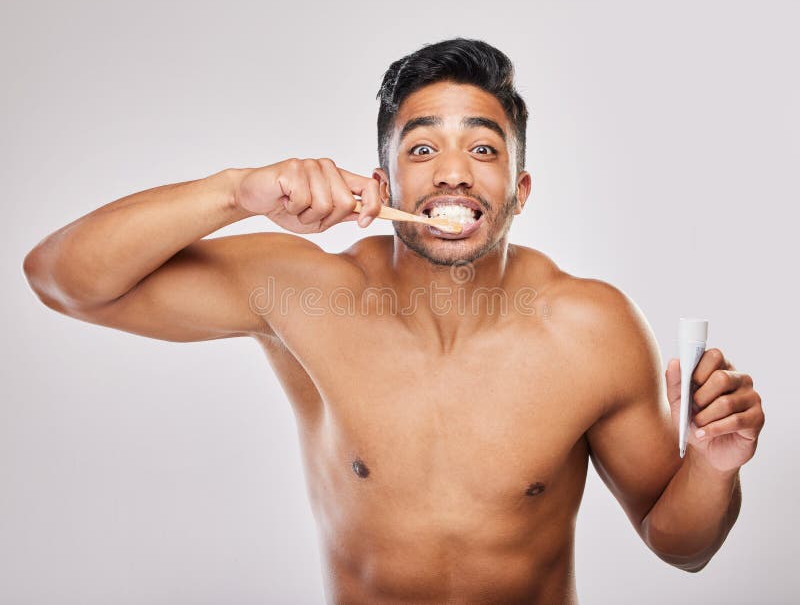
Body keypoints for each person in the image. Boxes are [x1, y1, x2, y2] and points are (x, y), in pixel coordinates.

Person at [22, 38, 765, 604]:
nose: (452, 171)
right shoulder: (304, 292)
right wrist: (236, 191)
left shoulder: (589, 325)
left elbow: (682, 545)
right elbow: (63, 280)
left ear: (520, 189)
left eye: (482, 147)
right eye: (421, 148)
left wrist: (713, 464)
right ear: (382, 186)